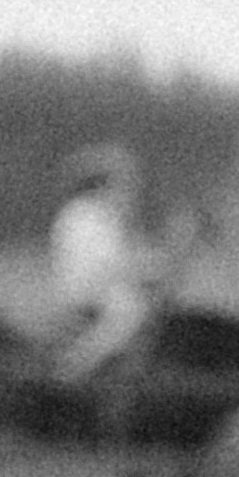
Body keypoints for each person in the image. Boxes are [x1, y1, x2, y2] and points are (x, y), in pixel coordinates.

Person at [43, 148, 155, 380]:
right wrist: (146, 269)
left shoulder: (101, 215)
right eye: (123, 185)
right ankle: (77, 364)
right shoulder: (85, 215)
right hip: (85, 290)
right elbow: (105, 263)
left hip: (99, 286)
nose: (130, 192)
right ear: (103, 185)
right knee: (131, 310)